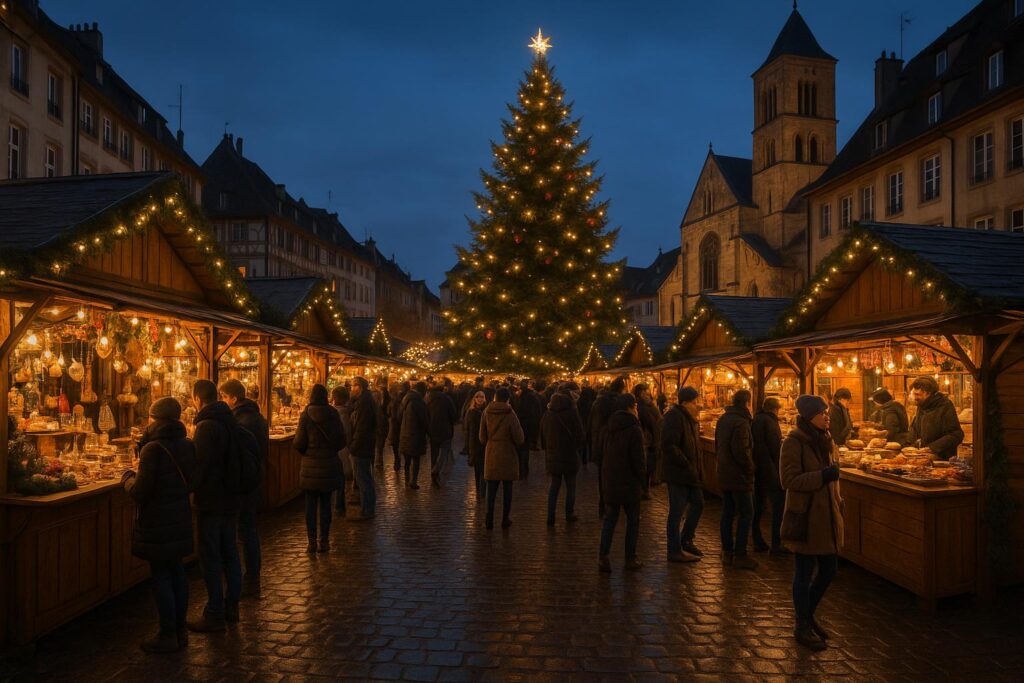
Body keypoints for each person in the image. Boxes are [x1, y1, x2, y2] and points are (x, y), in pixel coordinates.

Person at [122, 397, 197, 653]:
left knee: (162, 576)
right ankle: (180, 630)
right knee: (177, 572)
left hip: (157, 521)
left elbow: (141, 491)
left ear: (155, 418)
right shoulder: (187, 444)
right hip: (179, 517)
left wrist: (127, 479)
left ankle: (167, 633)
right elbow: (192, 481)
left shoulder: (153, 448)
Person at [781, 395, 844, 651]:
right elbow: (789, 480)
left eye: (827, 412)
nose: (827, 416)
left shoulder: (826, 440)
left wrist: (839, 501)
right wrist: (823, 476)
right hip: (806, 517)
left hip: (826, 515)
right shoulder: (793, 442)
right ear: (809, 416)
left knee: (830, 569)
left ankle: (808, 615)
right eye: (822, 412)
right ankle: (802, 624)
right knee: (804, 573)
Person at [188, 379, 246, 632]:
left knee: (210, 558)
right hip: (231, 497)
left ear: (198, 399)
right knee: (230, 553)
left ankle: (214, 612)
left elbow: (200, 467)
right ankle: (232, 605)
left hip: (211, 501)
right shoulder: (230, 420)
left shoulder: (206, 426)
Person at [218, 379, 268, 598]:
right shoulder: (257, 417)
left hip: (243, 483)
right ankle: (252, 572)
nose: (223, 402)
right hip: (254, 480)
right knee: (248, 528)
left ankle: (247, 575)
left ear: (233, 398)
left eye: (224, 397)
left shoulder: (240, 422)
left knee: (243, 530)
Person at [597, 393, 646, 573]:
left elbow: (600, 453)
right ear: (631, 407)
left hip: (610, 479)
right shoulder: (634, 429)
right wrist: (643, 481)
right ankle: (630, 557)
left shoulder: (608, 426)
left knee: (610, 519)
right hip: (629, 480)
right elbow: (638, 459)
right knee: (633, 521)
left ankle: (603, 556)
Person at [294, 384, 346, 552]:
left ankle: (311, 542)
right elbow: (341, 440)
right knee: (325, 505)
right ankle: (324, 541)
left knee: (310, 507)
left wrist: (307, 452)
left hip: (310, 466)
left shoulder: (306, 415)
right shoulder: (333, 413)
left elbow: (299, 442)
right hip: (329, 466)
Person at [660, 387, 704, 563]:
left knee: (699, 504)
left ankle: (686, 539)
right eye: (695, 402)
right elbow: (669, 445)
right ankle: (674, 550)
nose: (697, 405)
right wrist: (685, 462)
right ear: (686, 402)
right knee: (676, 512)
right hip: (678, 473)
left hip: (690, 473)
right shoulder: (674, 417)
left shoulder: (690, 419)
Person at [715, 389, 758, 570]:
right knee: (746, 513)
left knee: (727, 512)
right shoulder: (741, 422)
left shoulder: (723, 419)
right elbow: (742, 451)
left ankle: (727, 552)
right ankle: (740, 554)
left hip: (724, 472)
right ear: (747, 402)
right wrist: (751, 470)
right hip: (739, 475)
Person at [480, 387, 525, 530]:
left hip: (492, 452)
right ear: (508, 399)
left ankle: (489, 518)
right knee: (507, 489)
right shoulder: (511, 414)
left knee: (491, 490)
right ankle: (505, 518)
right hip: (507, 454)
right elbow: (519, 438)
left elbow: (482, 437)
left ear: (495, 397)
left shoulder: (486, 412)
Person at [540, 389, 585, 526]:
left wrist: (547, 448)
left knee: (554, 486)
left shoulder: (548, 414)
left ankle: (550, 515)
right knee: (571, 486)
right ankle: (569, 513)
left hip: (553, 456)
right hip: (570, 455)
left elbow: (542, 434)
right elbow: (580, 435)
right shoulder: (572, 413)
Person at [751, 397, 787, 555]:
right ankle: (776, 543)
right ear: (776, 409)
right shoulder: (770, 422)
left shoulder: (756, 419)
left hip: (758, 469)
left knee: (758, 506)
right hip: (770, 469)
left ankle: (757, 538)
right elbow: (773, 447)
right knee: (779, 506)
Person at [589, 377, 626, 517]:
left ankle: (603, 505)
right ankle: (612, 504)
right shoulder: (618, 403)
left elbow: (590, 423)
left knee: (602, 476)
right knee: (615, 474)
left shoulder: (598, 402)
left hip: (599, 443)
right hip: (613, 444)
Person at [907, 376, 964, 459]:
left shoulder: (944, 406)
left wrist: (932, 448)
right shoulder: (922, 405)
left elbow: (955, 435)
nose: (915, 398)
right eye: (913, 394)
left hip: (943, 459)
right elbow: (915, 428)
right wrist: (911, 444)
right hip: (923, 457)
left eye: (917, 394)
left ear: (928, 393)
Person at [349, 377, 378, 520]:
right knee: (364, 477)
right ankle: (367, 508)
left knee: (363, 478)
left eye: (353, 386)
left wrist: (353, 446)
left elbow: (361, 428)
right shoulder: (365, 401)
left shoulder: (364, 403)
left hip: (362, 446)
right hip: (364, 445)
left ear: (359, 387)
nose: (351, 389)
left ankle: (367, 510)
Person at [426, 381, 457, 488]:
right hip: (445, 428)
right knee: (444, 451)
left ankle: (433, 472)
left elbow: (425, 413)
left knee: (434, 452)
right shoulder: (447, 398)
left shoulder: (428, 398)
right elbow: (453, 414)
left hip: (432, 428)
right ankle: (436, 470)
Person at [399, 381, 430, 488]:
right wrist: (429, 432)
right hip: (416, 435)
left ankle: (407, 479)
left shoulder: (405, 399)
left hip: (404, 433)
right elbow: (424, 420)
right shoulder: (419, 402)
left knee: (407, 460)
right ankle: (413, 481)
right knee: (415, 459)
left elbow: (399, 416)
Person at [633, 383, 661, 499]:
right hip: (645, 440)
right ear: (639, 393)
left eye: (647, 391)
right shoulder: (639, 406)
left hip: (652, 440)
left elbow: (657, 420)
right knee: (645, 466)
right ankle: (642, 489)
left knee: (649, 466)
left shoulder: (650, 405)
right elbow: (648, 422)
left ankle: (645, 489)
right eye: (644, 391)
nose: (647, 393)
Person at [512, 379, 542, 479]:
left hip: (520, 426)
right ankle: (524, 470)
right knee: (525, 449)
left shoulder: (517, 397)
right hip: (529, 427)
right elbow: (537, 413)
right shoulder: (533, 397)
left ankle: (520, 469)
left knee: (520, 449)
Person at [330, 386, 353, 515]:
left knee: (338, 477)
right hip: (341, 449)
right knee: (340, 477)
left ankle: (338, 505)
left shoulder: (337, 413)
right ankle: (339, 505)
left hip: (336, 450)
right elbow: (348, 434)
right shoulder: (346, 413)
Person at [465, 390, 487, 502]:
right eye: (478, 397)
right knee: (477, 469)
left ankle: (483, 490)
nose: (480, 399)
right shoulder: (471, 412)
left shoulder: (487, 411)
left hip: (485, 443)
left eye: (482, 397)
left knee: (484, 468)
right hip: (475, 443)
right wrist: (468, 447)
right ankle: (479, 489)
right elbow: (467, 430)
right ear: (474, 398)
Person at [389, 381, 409, 471]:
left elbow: (389, 411)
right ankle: (405, 463)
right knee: (402, 443)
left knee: (396, 444)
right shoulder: (407, 398)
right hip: (402, 424)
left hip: (396, 424)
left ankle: (397, 459)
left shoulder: (395, 399)